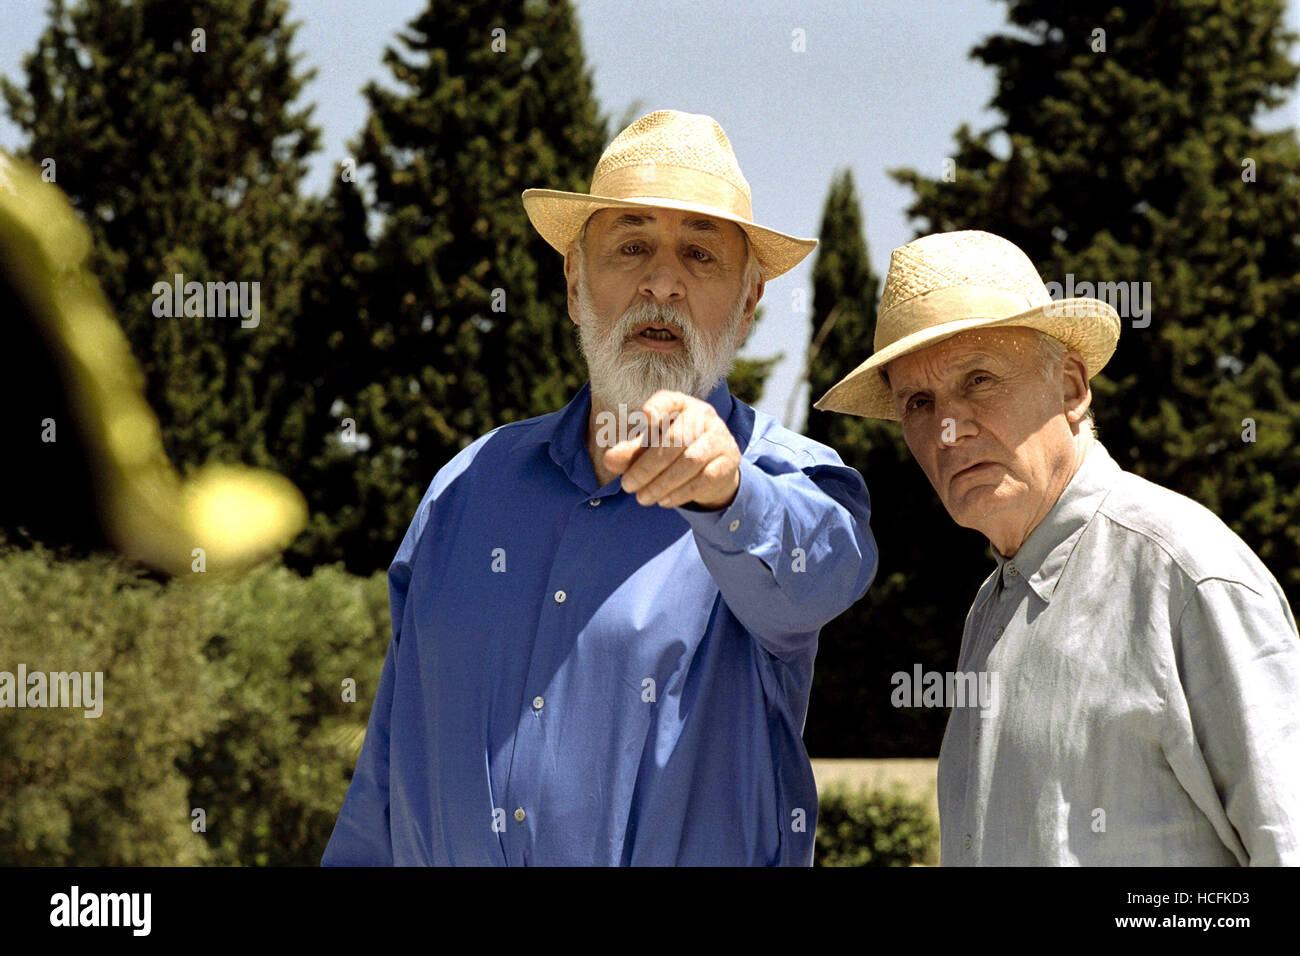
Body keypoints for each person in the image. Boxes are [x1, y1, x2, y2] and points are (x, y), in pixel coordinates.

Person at [322, 110, 878, 866]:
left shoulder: (785, 475)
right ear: (575, 282)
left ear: (749, 302)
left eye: (700, 255)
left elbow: (829, 571)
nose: (662, 283)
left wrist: (730, 494)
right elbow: (386, 775)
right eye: (632, 246)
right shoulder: (465, 488)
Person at [815, 229, 1300, 865]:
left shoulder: (1185, 576)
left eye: (979, 379)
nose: (947, 430)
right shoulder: (992, 606)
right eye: (919, 402)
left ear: (1071, 387)